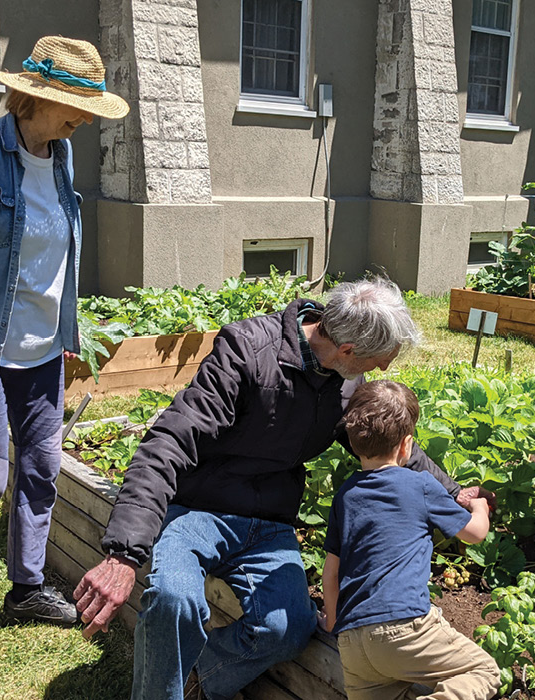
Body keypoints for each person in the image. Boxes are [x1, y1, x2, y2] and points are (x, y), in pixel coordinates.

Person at [74, 279, 495, 700]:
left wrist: (452, 491)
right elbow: (169, 442)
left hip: (269, 520)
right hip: (198, 509)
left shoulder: (343, 380)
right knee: (173, 599)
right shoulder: (247, 351)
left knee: (289, 628)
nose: (382, 371)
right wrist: (123, 555)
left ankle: (197, 678)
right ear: (347, 350)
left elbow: (387, 443)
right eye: (379, 360)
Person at [0, 36, 128, 637]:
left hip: (40, 351)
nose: (85, 118)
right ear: (37, 97)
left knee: (41, 469)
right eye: (78, 105)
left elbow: (54, 254)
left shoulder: (60, 156)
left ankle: (27, 589)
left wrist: (65, 330)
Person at [320, 380, 501, 700]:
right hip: (404, 627)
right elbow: (474, 534)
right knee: (482, 671)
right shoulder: (419, 484)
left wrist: (335, 625)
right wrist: (480, 507)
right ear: (407, 446)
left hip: (352, 645)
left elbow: (330, 573)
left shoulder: (345, 496)